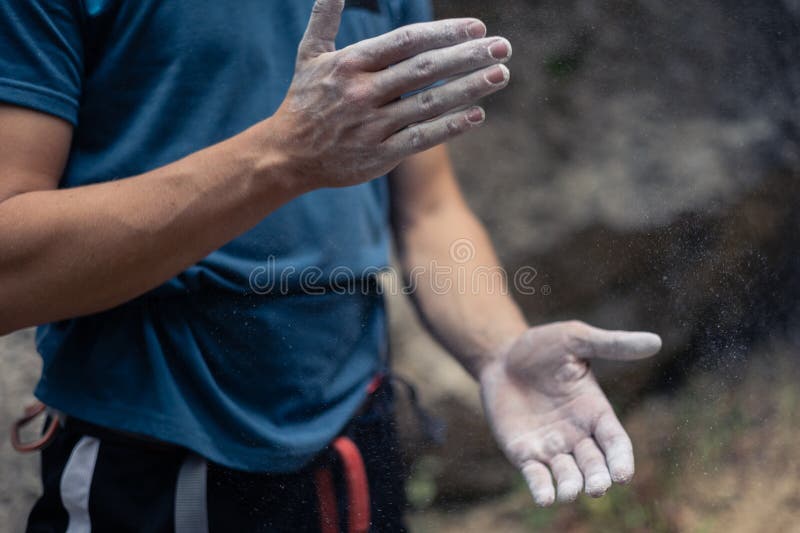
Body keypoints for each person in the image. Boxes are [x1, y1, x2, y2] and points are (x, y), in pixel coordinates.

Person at [0, 0, 662, 531]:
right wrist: (283, 155)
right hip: (157, 455)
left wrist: (498, 348)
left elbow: (428, 209)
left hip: (354, 449)